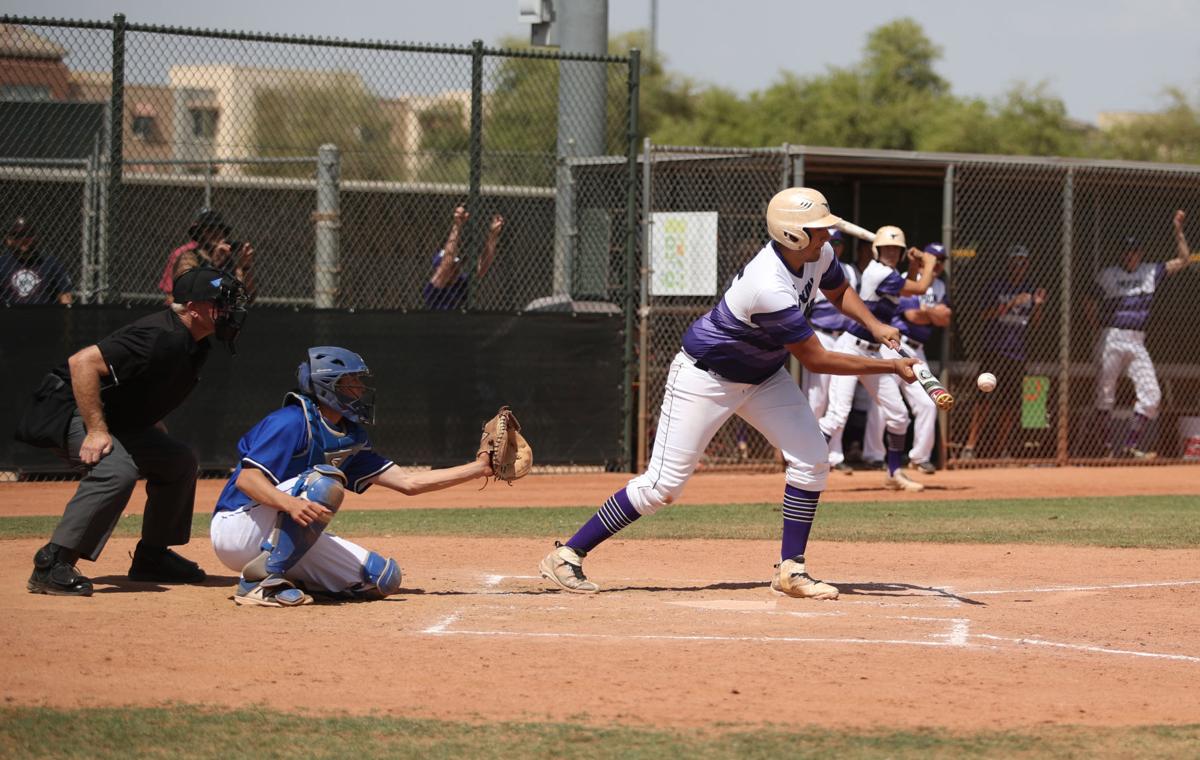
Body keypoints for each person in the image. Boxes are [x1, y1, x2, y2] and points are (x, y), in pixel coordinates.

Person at [538, 188, 919, 599]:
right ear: (793, 236)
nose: (827, 238)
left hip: (763, 375)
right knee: (662, 487)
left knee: (812, 460)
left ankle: (791, 569)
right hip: (706, 378)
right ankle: (568, 555)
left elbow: (839, 291)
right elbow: (816, 360)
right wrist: (890, 366)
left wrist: (875, 326)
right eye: (819, 232)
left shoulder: (817, 255)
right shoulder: (767, 285)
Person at [21, 267, 248, 596]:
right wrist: (96, 430)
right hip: (68, 409)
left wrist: (150, 426)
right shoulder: (158, 335)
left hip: (115, 417)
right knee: (117, 471)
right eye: (221, 303)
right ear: (194, 307)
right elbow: (81, 363)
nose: (230, 312)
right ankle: (52, 562)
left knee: (178, 460)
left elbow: (144, 388)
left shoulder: (194, 343)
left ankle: (152, 557)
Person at [209, 346, 495, 606]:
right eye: (350, 382)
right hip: (238, 527)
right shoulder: (290, 422)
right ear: (327, 386)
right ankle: (258, 583)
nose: (359, 389)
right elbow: (247, 480)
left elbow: (409, 483)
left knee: (380, 578)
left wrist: (481, 467)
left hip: (279, 531)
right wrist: (291, 504)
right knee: (324, 483)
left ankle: (289, 574)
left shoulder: (348, 436)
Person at [817, 225, 938, 492]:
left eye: (897, 249)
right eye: (887, 249)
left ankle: (893, 473)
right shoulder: (879, 272)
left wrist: (916, 265)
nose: (892, 253)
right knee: (837, 415)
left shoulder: (890, 274)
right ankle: (802, 465)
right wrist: (928, 263)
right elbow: (919, 288)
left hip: (874, 352)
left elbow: (906, 289)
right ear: (877, 250)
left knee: (898, 417)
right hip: (850, 347)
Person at [1088, 211, 1191, 458]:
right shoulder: (1109, 274)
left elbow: (1185, 260)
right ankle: (1106, 449)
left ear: (1140, 254)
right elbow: (1088, 300)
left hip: (1137, 340)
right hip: (1112, 336)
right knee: (1105, 392)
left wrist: (1178, 230)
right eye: (1126, 251)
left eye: (1134, 251)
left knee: (1152, 394)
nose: (1130, 255)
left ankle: (1130, 445)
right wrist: (1096, 330)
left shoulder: (1150, 272)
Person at [863, 242, 953, 474]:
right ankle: (873, 455)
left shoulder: (940, 286)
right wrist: (932, 313)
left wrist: (928, 312)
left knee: (926, 402)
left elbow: (945, 320)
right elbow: (912, 314)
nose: (938, 265)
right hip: (895, 347)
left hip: (918, 350)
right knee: (884, 404)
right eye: (934, 259)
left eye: (941, 261)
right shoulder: (904, 278)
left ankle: (919, 457)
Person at [962, 244, 1045, 460]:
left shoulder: (1031, 288)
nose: (1019, 266)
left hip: (1017, 353)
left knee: (1010, 404)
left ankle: (1001, 449)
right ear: (1009, 263)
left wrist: (1038, 305)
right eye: (1015, 261)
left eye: (1023, 262)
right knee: (984, 400)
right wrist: (1011, 303)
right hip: (994, 350)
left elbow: (1035, 324)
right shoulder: (995, 286)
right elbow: (983, 315)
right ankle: (970, 446)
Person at [801, 228, 860, 474]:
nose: (834, 246)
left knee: (839, 399)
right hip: (821, 335)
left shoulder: (851, 271)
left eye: (838, 242)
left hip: (845, 339)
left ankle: (833, 455)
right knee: (817, 398)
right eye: (830, 241)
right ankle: (807, 452)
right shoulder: (811, 267)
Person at [159, 208, 255, 303]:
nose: (216, 233)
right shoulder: (188, 257)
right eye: (210, 229)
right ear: (199, 233)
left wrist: (244, 267)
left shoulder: (227, 260)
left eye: (219, 229)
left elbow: (247, 296)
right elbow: (184, 293)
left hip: (219, 313)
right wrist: (214, 264)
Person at [424, 206, 505, 310]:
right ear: (438, 269)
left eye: (456, 266)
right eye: (453, 267)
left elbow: (482, 267)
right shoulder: (432, 288)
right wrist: (457, 226)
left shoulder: (460, 284)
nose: (456, 269)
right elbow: (446, 265)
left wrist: (493, 236)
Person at [0, 217, 73, 305]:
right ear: (9, 240)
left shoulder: (50, 263)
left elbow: (65, 296)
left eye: (28, 235)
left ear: (36, 238)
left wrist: (66, 316)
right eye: (18, 236)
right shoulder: (2, 264)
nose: (24, 240)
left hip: (43, 316)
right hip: (10, 317)